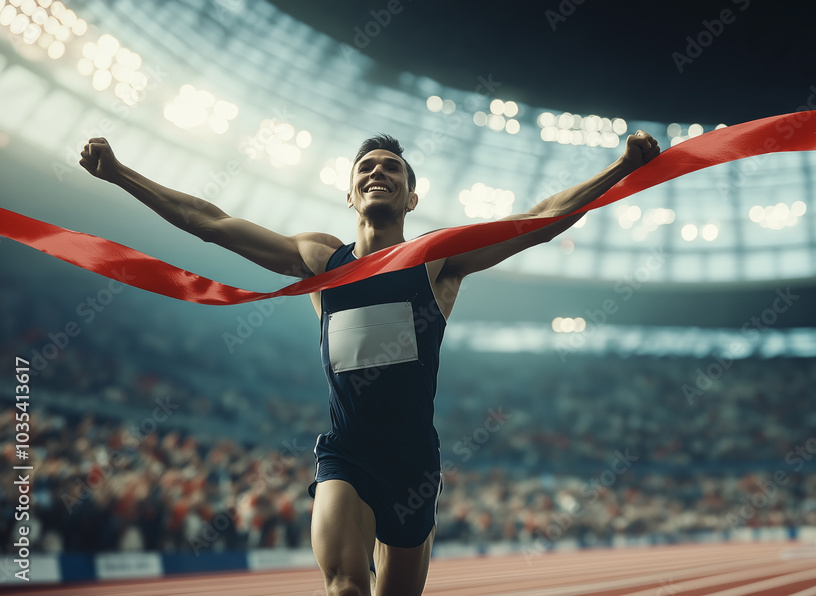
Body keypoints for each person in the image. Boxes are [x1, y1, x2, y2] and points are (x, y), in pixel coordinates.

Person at [79, 130, 660, 595]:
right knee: (346, 587)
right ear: (351, 196)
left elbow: (539, 221)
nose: (378, 172)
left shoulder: (437, 259)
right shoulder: (317, 257)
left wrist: (620, 169)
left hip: (414, 462)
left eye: (393, 169)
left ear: (411, 198)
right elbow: (209, 223)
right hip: (346, 450)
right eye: (367, 168)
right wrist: (122, 174)